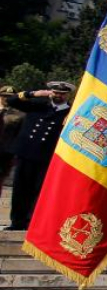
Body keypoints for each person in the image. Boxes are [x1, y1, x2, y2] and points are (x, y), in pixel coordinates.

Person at [4, 81, 74, 230]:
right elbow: (11, 101)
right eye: (56, 92)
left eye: (62, 94)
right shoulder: (39, 105)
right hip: (25, 153)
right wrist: (34, 93)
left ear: (68, 95)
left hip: (46, 158)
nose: (58, 95)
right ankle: (17, 222)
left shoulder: (71, 112)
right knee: (20, 190)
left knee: (39, 192)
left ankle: (33, 223)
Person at [0, 85, 25, 205]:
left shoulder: (20, 115)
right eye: (4, 96)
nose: (6, 99)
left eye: (10, 97)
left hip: (5, 154)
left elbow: (20, 136)